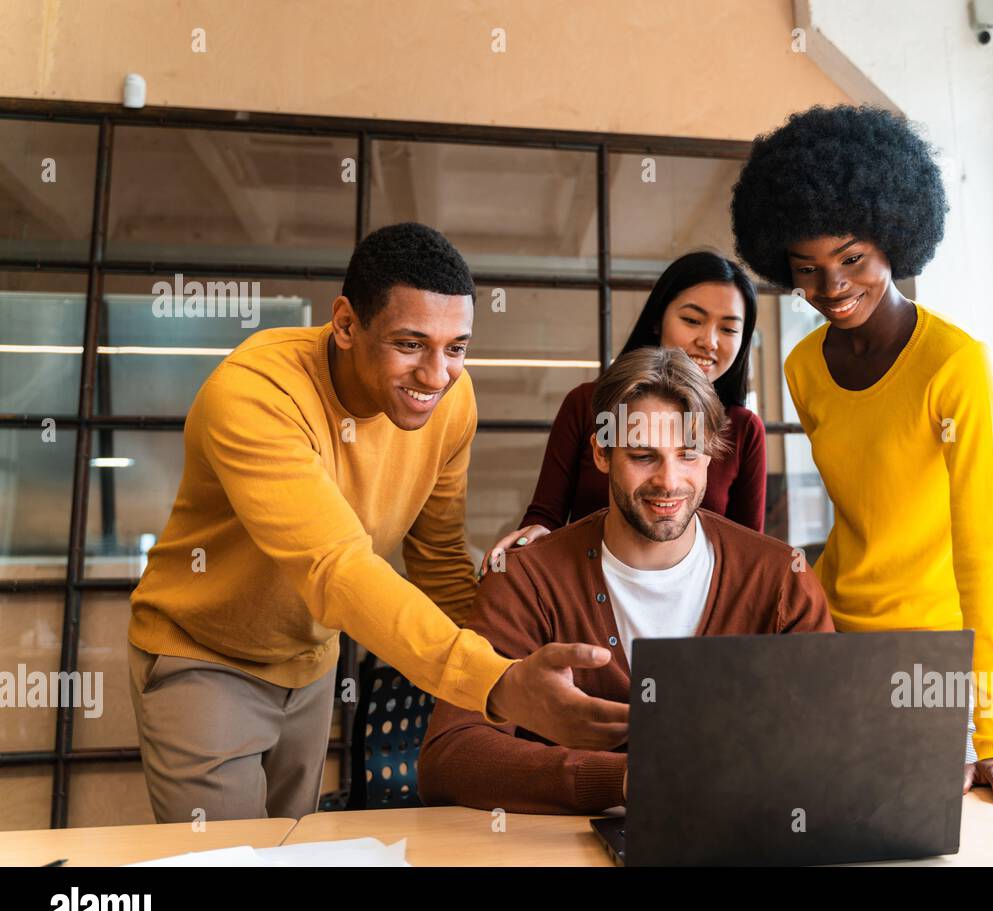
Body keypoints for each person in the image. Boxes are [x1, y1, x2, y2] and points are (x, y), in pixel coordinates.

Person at [127, 222, 627, 824]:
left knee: (291, 852)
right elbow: (335, 568)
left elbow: (438, 558)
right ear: (345, 324)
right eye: (411, 344)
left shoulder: (451, 401)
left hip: (313, 663)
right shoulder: (255, 393)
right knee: (227, 861)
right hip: (205, 655)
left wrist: (520, 671)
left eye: (457, 347)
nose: (437, 375)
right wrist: (498, 683)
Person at [730, 105, 993, 809]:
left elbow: (984, 556)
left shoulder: (954, 364)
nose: (833, 288)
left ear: (894, 237)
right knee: (825, 821)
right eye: (807, 270)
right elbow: (857, 514)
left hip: (933, 656)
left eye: (852, 258)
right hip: (833, 634)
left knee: (921, 831)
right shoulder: (802, 368)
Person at [420, 347, 832, 813]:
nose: (669, 481)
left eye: (688, 455)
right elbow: (450, 756)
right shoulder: (527, 579)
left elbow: (831, 738)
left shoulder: (781, 578)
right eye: (642, 456)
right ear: (601, 452)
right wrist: (621, 782)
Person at [480, 251, 767, 575]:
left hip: (700, 605)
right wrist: (528, 548)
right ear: (658, 319)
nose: (709, 341)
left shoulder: (744, 429)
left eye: (728, 329)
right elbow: (546, 517)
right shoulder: (586, 404)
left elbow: (747, 549)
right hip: (588, 591)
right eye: (692, 320)